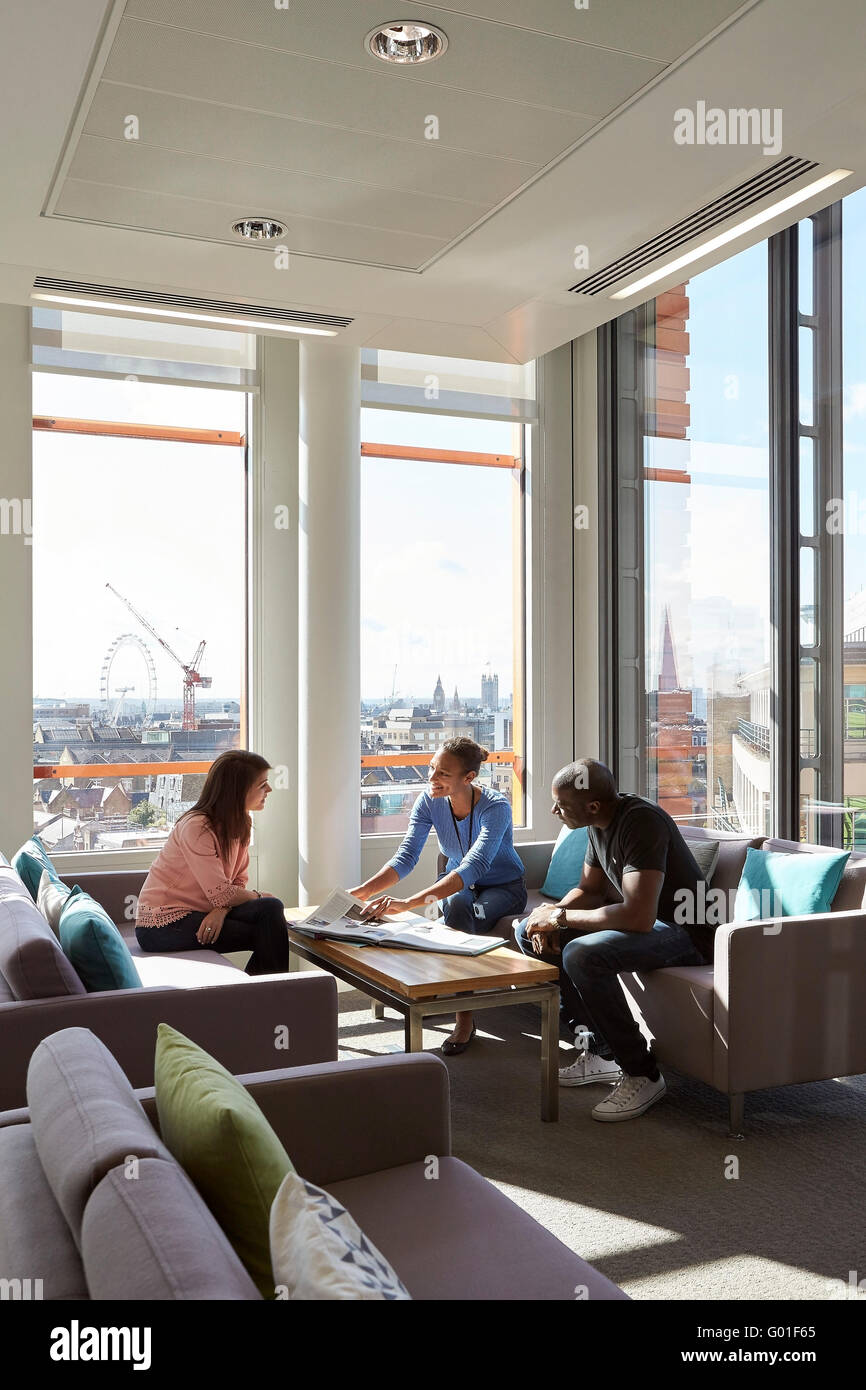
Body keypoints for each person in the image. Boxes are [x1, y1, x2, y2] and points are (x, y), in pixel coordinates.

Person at [515, 758, 707, 1122]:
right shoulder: (595, 824)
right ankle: (602, 1052)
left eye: (562, 805)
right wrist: (546, 917)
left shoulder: (641, 822)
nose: (554, 810)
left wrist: (560, 917)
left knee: (584, 955)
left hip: (688, 932)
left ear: (593, 806)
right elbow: (589, 889)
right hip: (651, 926)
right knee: (526, 933)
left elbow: (638, 916)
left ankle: (642, 1072)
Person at [351, 738, 527, 1054]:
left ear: (469, 778)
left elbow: (476, 865)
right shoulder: (429, 801)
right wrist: (361, 892)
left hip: (503, 889)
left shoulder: (496, 807)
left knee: (461, 910)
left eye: (443, 773)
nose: (432, 778)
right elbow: (406, 856)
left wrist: (409, 903)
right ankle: (443, 987)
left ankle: (464, 1018)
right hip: (458, 885)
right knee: (457, 902)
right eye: (432, 767)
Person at [135, 750, 288, 975]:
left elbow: (235, 883)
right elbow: (223, 892)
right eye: (262, 785)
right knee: (268, 929)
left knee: (271, 909)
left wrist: (221, 910)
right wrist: (256, 896)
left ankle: (261, 997)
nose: (269, 790)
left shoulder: (241, 822)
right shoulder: (197, 827)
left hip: (202, 910)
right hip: (162, 924)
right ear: (239, 790)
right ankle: (267, 998)